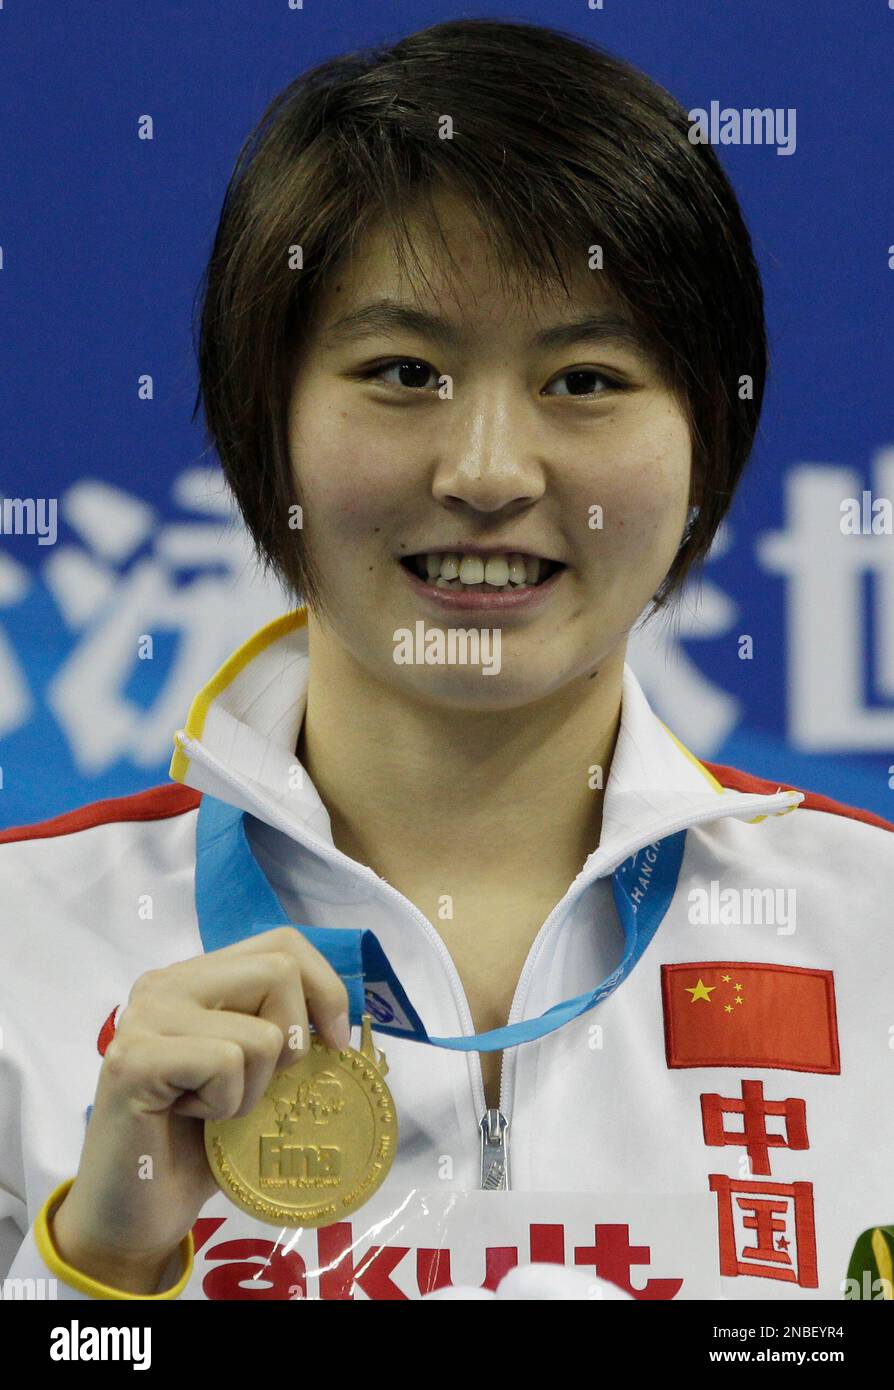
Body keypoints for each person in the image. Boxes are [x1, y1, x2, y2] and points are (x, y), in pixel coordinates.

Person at [1, 17, 892, 1303]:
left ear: (702, 433)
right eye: (404, 370)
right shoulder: (28, 949)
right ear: (269, 420)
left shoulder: (875, 942)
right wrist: (104, 1267)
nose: (487, 472)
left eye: (584, 379)